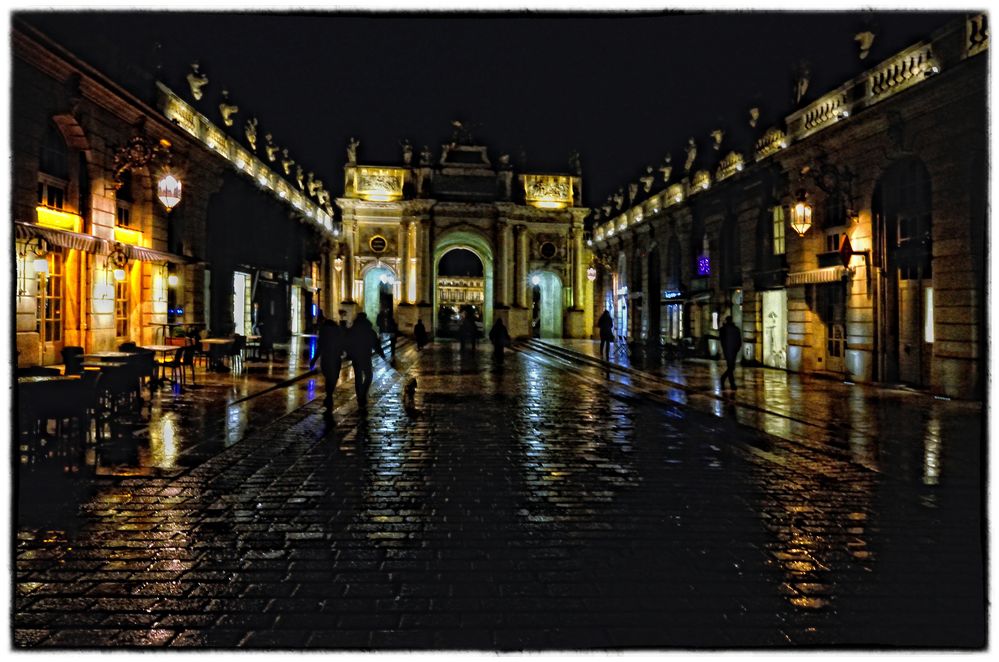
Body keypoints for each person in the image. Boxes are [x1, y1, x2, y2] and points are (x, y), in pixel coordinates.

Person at [345, 312, 385, 411]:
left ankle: (360, 397)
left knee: (358, 377)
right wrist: (382, 354)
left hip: (356, 357)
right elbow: (376, 344)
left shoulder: (352, 330)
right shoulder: (369, 330)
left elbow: (346, 342)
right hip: (365, 356)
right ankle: (362, 393)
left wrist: (348, 352)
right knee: (369, 375)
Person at [309, 318, 345, 415]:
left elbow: (320, 347)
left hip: (326, 359)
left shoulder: (323, 332)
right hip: (336, 358)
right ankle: (329, 396)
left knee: (328, 378)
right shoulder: (339, 331)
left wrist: (314, 359)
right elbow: (343, 344)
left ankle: (329, 397)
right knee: (333, 378)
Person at [719, 315, 742, 391]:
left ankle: (724, 379)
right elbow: (739, 341)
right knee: (731, 367)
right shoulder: (735, 329)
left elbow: (722, 341)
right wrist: (737, 348)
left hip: (729, 350)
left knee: (731, 367)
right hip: (732, 350)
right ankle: (732, 384)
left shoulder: (723, 329)